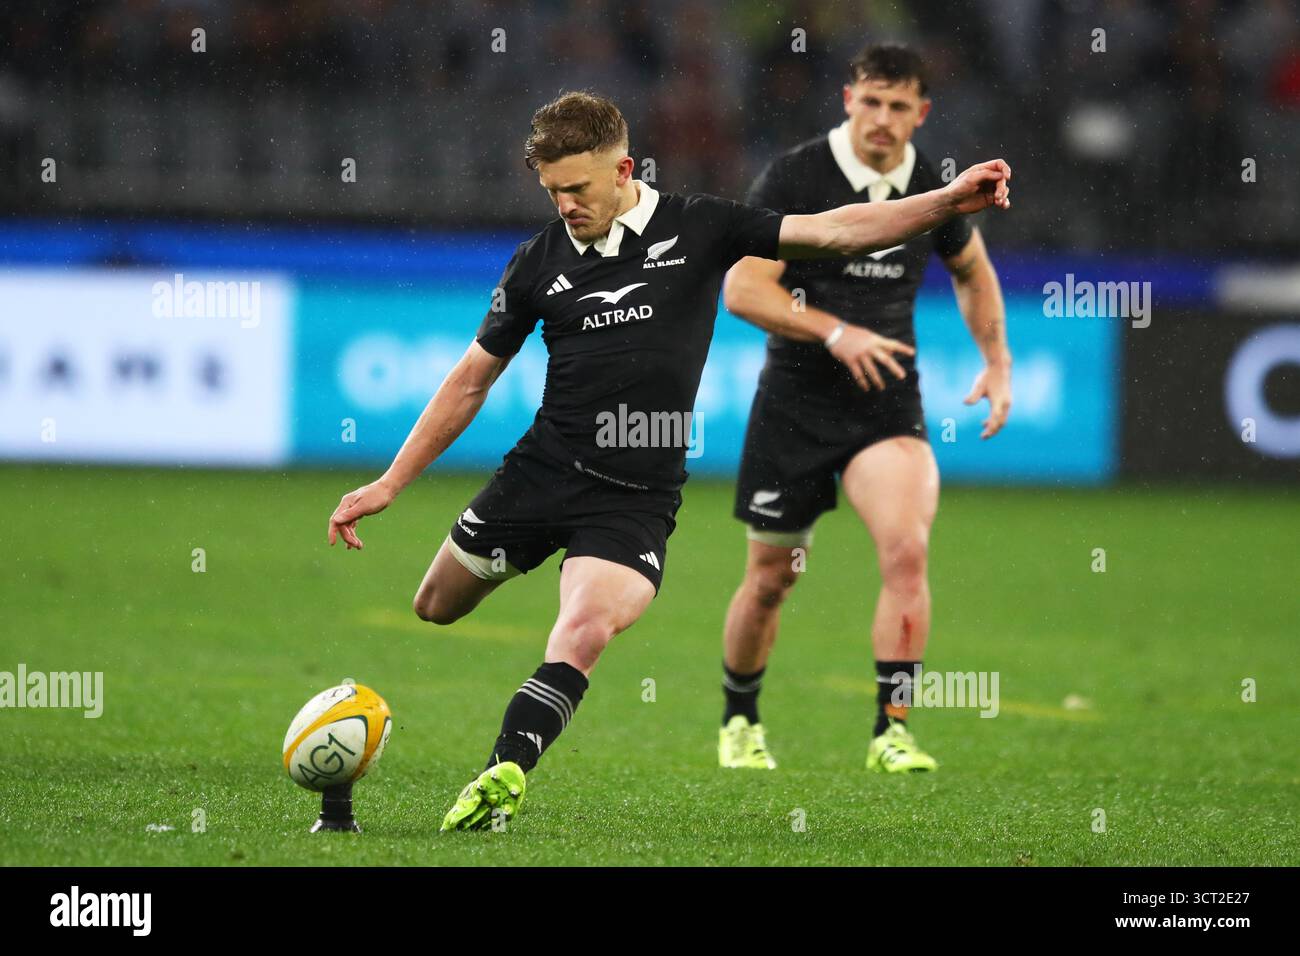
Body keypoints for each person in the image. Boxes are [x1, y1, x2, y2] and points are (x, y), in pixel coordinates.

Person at [326, 90, 1010, 829]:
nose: (564, 205)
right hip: (541, 473)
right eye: (551, 191)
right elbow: (470, 379)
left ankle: (504, 772)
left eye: (578, 189)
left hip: (635, 497)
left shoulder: (701, 226)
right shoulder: (535, 265)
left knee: (584, 628)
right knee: (436, 606)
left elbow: (838, 230)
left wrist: (944, 201)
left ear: (623, 169)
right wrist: (392, 481)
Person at [717, 44, 1013, 774]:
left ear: (921, 112)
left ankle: (892, 731)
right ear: (849, 100)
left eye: (899, 105)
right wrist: (835, 332)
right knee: (772, 578)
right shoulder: (796, 176)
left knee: (907, 550)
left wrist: (998, 362)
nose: (883, 119)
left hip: (886, 403)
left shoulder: (932, 189)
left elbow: (972, 271)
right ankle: (740, 718)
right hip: (794, 403)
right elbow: (744, 289)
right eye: (871, 101)